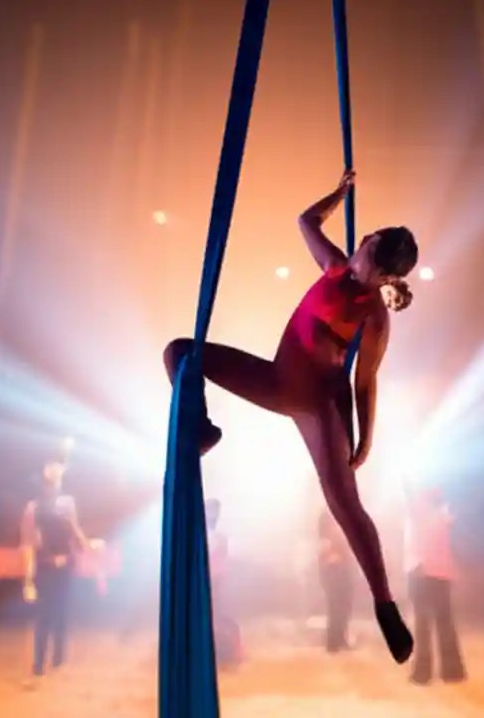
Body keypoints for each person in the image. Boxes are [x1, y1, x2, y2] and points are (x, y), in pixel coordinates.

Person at [163, 169, 416, 663]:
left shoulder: (374, 317)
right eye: (366, 237)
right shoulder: (335, 267)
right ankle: (204, 429)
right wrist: (339, 195)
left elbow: (365, 381)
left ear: (383, 274)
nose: (360, 244)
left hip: (320, 403)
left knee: (345, 506)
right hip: (279, 382)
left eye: (369, 248)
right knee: (178, 353)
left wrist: (364, 440)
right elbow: (305, 220)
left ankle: (385, 606)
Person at [20, 460, 93, 679]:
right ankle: (42, 662)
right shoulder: (34, 507)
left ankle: (56, 659)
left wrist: (89, 546)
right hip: (47, 564)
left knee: (58, 612)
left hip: (62, 563)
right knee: (47, 614)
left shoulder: (66, 503)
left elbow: (75, 531)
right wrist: (28, 579)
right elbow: (29, 542)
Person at [404, 484, 465, 685]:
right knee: (443, 623)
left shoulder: (419, 516)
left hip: (421, 572)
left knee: (424, 624)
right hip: (438, 573)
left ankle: (423, 672)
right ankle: (451, 671)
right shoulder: (440, 516)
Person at [206, 498, 242, 667]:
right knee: (217, 615)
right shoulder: (219, 537)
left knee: (217, 615)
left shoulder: (217, 537)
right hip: (216, 577)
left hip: (214, 578)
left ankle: (226, 653)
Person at [318, 510, 354, 652]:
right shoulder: (326, 539)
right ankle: (332, 642)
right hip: (334, 574)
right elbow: (326, 557)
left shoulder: (338, 534)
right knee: (335, 608)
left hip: (342, 573)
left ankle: (340, 638)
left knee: (343, 608)